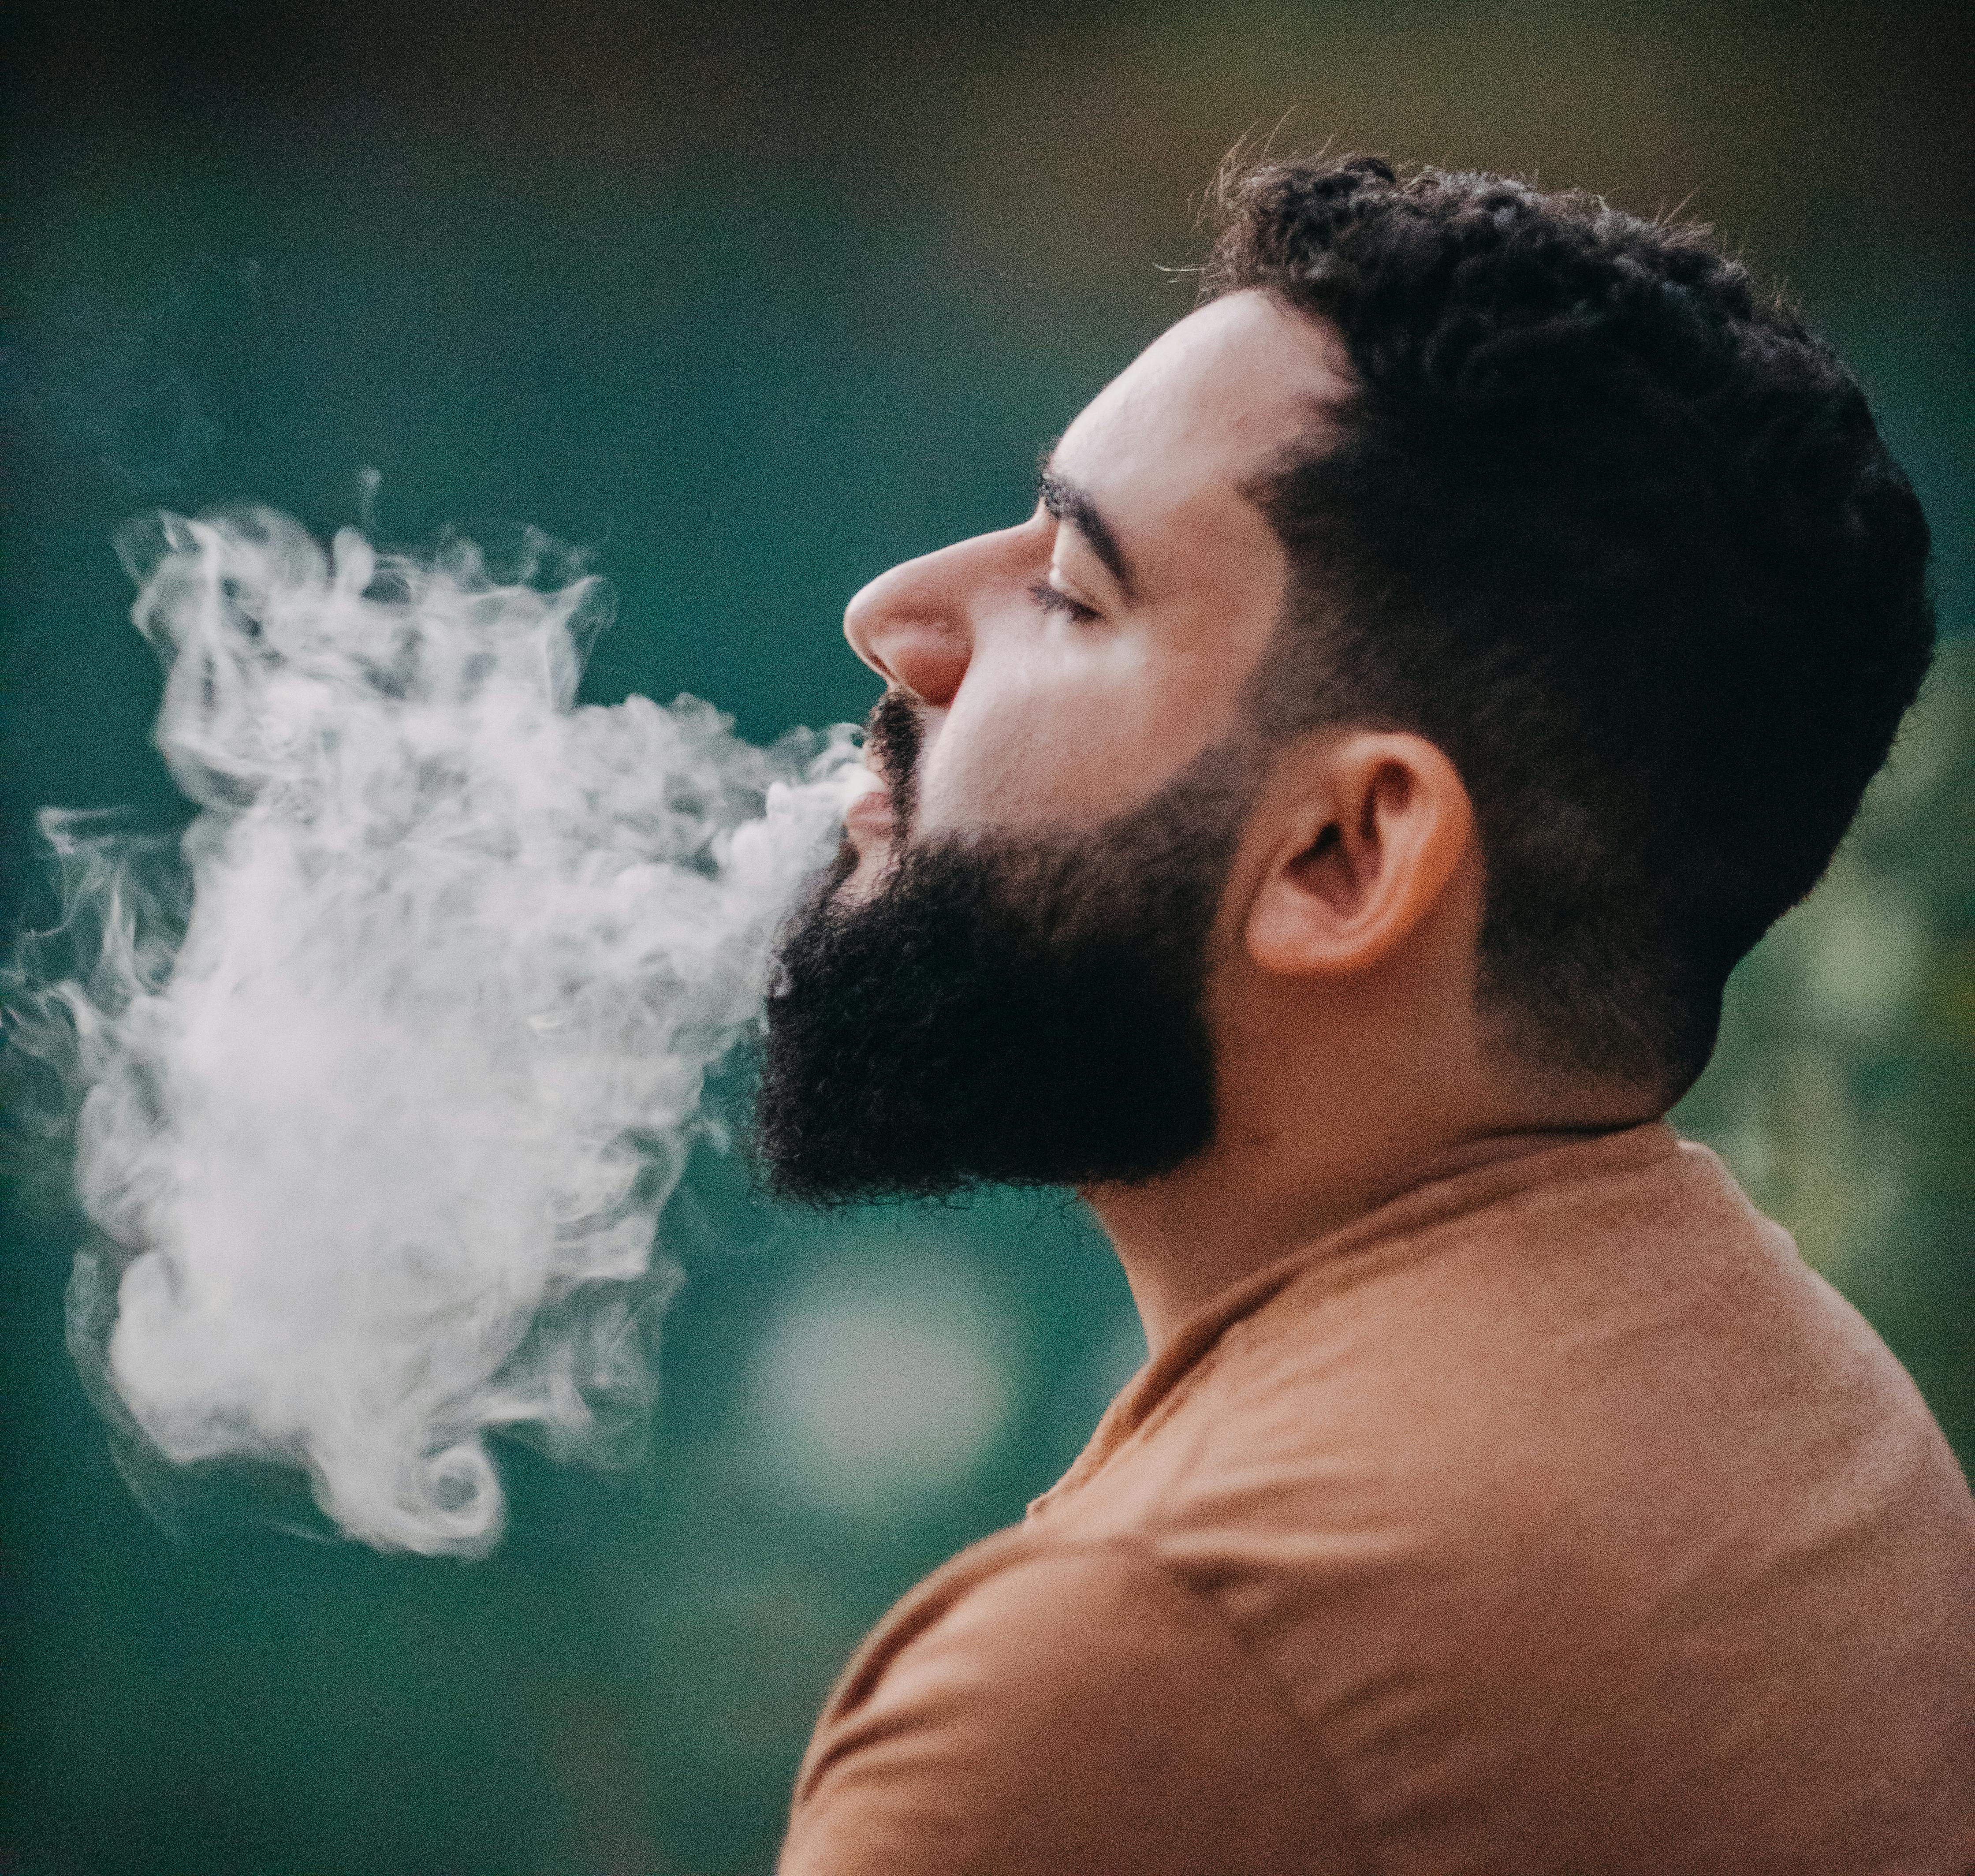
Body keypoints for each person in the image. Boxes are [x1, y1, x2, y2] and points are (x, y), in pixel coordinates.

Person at [754, 157, 1974, 1876]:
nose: (898, 615)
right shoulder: (1817, 1412)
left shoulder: (1124, 1690)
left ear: (1342, 856)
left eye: (1075, 589)